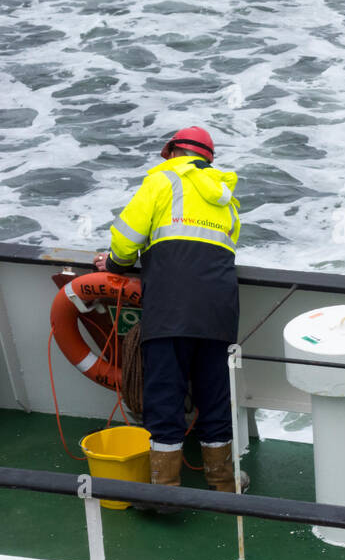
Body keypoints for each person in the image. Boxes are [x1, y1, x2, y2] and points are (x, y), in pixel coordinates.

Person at [92, 126, 248, 493]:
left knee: (165, 398)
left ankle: (165, 491)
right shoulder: (226, 199)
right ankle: (223, 484)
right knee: (214, 397)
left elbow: (128, 236)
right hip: (219, 312)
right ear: (208, 160)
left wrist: (114, 265)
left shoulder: (162, 180)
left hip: (170, 311)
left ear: (174, 153)